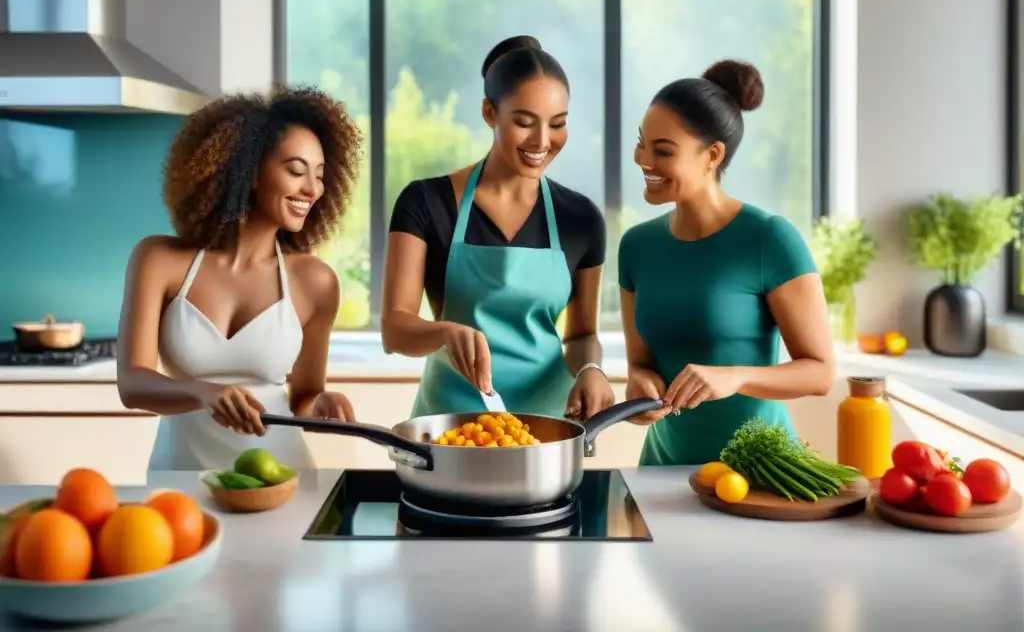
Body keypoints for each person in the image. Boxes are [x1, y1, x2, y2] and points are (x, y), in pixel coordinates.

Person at [117, 86, 363, 472]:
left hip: (281, 480)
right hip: (180, 479)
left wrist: (323, 403)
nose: (312, 189)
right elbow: (132, 385)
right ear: (249, 173)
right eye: (296, 171)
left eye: (319, 175)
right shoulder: (159, 260)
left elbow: (304, 397)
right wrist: (202, 391)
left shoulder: (315, 282)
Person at [382, 35, 615, 420]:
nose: (542, 141)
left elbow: (583, 335)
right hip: (449, 426)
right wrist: (444, 332)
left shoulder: (581, 218)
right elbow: (395, 328)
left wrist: (592, 370)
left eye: (557, 124)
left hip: (548, 427)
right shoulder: (426, 203)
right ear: (489, 112)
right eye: (524, 122)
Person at [618, 59, 834, 466]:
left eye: (663, 151)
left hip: (760, 472)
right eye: (642, 142)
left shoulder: (770, 238)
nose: (643, 160)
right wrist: (641, 386)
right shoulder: (635, 246)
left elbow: (820, 373)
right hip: (662, 472)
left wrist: (737, 376)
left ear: (712, 155)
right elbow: (641, 364)